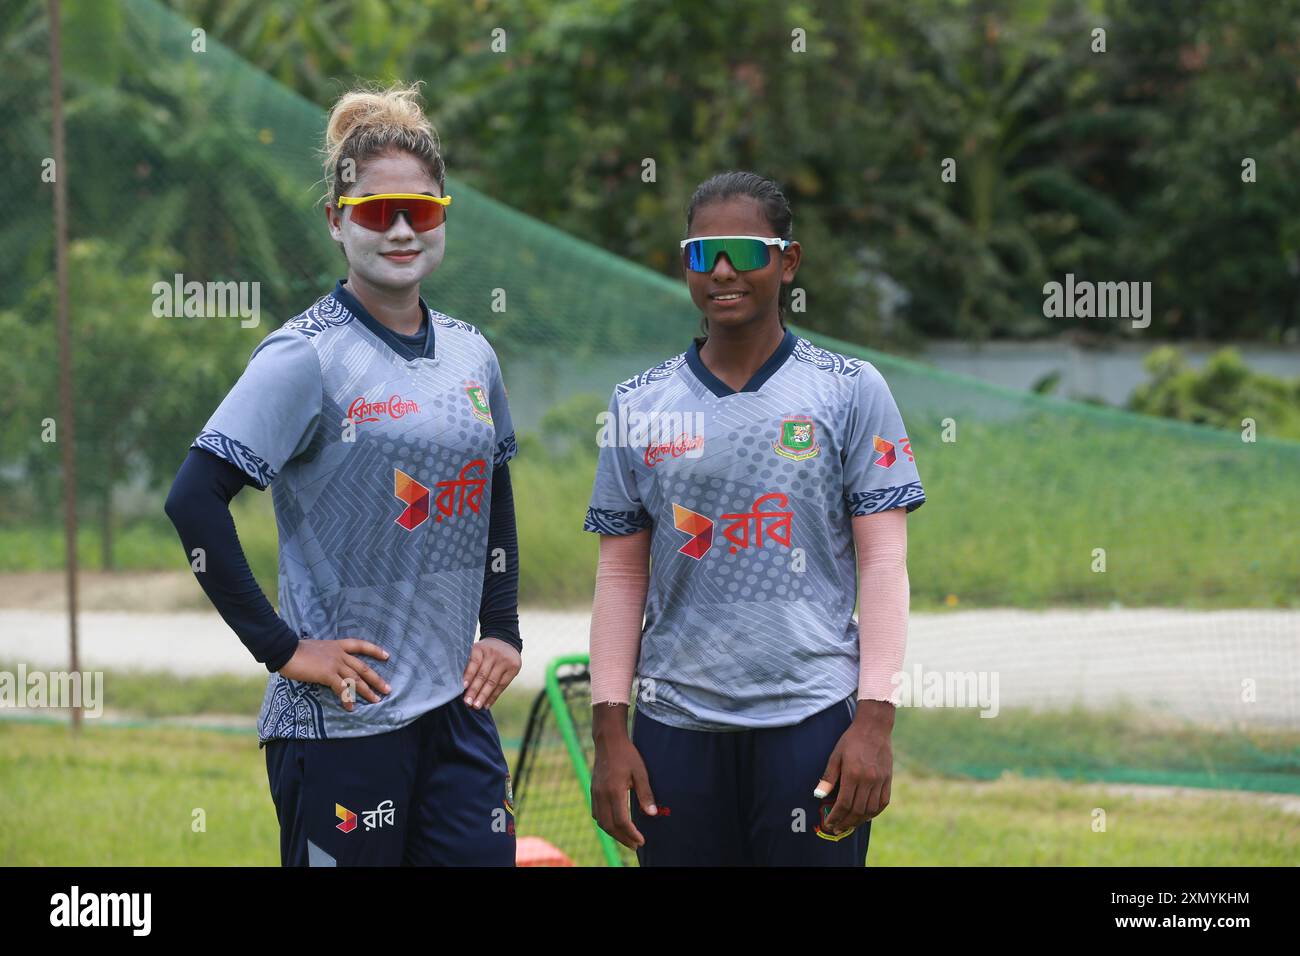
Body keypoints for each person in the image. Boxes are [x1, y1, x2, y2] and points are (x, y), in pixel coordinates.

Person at [164, 82, 521, 866]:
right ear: (336, 220)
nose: (399, 228)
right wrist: (287, 650)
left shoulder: (472, 353)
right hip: (340, 724)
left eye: (420, 210)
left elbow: (493, 484)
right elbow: (193, 499)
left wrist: (501, 627)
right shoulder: (305, 356)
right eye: (374, 209)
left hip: (456, 716)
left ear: (442, 217)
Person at [585, 171, 925, 866]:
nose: (726, 271)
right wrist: (610, 733)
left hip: (812, 724)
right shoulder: (637, 405)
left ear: (788, 261)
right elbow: (621, 574)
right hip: (674, 728)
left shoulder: (850, 390)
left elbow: (886, 565)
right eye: (704, 255)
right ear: (686, 265)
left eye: (746, 250)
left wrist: (875, 720)